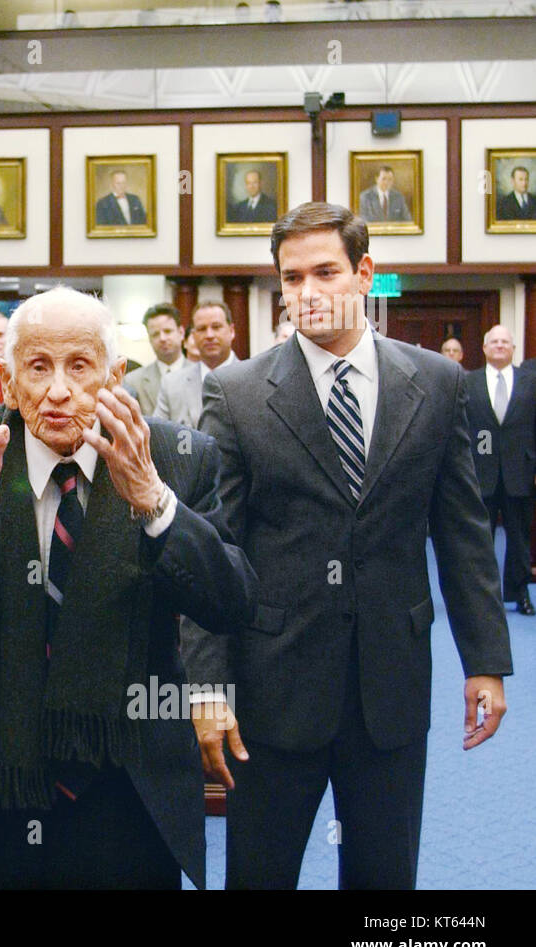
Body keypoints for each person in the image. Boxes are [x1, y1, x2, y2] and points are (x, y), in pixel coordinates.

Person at [184, 202, 512, 889]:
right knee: (258, 876)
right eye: (292, 278)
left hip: (391, 683)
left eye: (325, 272)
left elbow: (464, 533)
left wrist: (485, 660)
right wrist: (209, 687)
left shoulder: (438, 383)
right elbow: (214, 551)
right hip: (275, 688)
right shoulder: (238, 392)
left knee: (385, 883)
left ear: (364, 273)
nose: (308, 293)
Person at [0, 286, 257, 888]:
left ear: (114, 377)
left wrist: (155, 503)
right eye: (38, 367)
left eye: (80, 366)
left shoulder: (175, 456)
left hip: (128, 776)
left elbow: (230, 603)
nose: (58, 390)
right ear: (7, 381)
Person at [465, 325, 536, 615]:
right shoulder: (468, 382)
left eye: (505, 342)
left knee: (519, 539)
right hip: (480, 474)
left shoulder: (530, 383)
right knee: (480, 541)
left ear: (513, 348)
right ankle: (481, 598)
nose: (499, 345)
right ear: (484, 348)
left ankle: (520, 594)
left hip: (520, 472)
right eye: (493, 341)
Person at [154, 301, 237, 428]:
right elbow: (159, 437)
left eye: (216, 327)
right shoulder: (171, 384)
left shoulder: (253, 380)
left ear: (231, 331)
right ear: (193, 335)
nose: (209, 335)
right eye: (201, 329)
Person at [123, 303, 185, 415]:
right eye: (155, 334)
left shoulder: (203, 375)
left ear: (181, 333)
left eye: (167, 331)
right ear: (149, 339)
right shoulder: (133, 381)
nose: (162, 338)